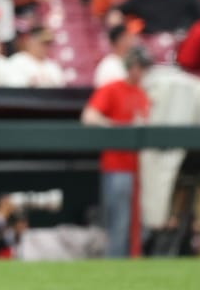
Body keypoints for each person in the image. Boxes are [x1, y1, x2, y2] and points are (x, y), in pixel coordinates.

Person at [82, 46, 153, 258]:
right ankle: (115, 270)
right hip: (117, 166)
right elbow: (89, 116)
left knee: (142, 225)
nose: (140, 72)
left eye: (143, 67)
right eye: (138, 66)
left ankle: (131, 268)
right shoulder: (112, 88)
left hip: (141, 169)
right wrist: (116, 126)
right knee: (118, 224)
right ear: (129, 66)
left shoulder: (143, 94)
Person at [0, 26, 64, 87]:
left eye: (48, 44)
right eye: (42, 43)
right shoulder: (17, 61)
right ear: (30, 42)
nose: (45, 47)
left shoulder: (53, 67)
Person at [94, 22, 142, 86]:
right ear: (118, 41)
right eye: (126, 37)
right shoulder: (108, 65)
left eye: (131, 37)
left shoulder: (134, 63)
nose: (131, 41)